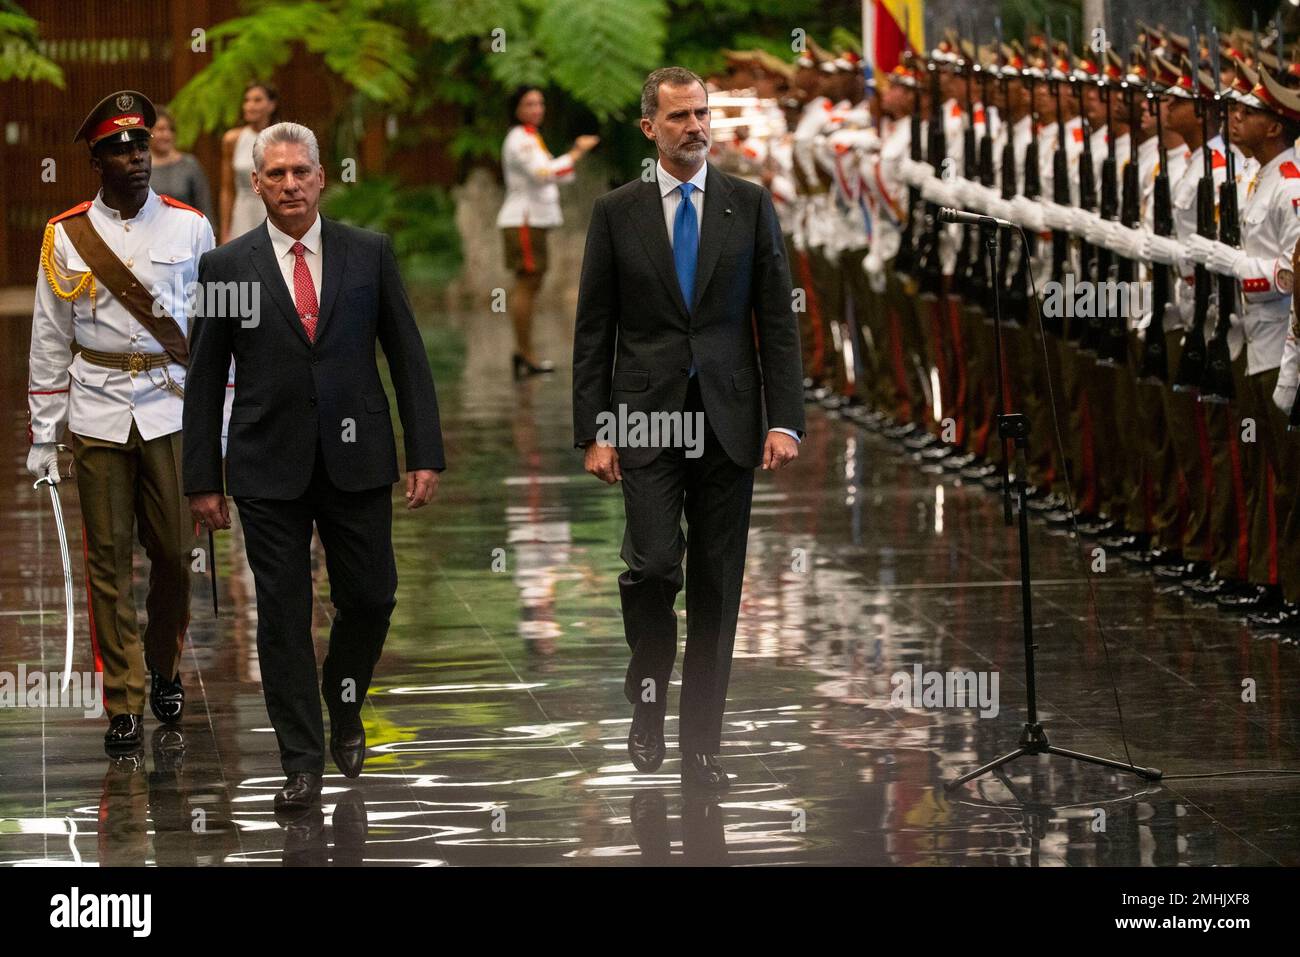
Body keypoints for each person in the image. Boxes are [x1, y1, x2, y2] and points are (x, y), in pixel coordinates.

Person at [183, 121, 445, 815]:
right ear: (256, 183)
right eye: (276, 174)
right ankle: (300, 761)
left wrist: (425, 452)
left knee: (372, 595)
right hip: (266, 465)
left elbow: (407, 356)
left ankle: (345, 695)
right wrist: (201, 477)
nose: (291, 184)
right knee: (282, 613)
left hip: (358, 458)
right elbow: (206, 376)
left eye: (302, 171)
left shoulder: (369, 255)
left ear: (323, 177)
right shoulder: (227, 267)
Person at [571, 67, 805, 791]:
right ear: (650, 128)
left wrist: (786, 420)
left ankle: (702, 743)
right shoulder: (617, 212)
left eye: (701, 114)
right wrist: (595, 429)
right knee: (653, 567)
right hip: (644, 417)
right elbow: (594, 328)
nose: (694, 127)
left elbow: (777, 319)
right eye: (677, 117)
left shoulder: (748, 204)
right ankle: (647, 694)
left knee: (716, 584)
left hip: (729, 421)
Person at [26, 90, 215, 754]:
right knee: (107, 559)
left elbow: (212, 333)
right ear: (97, 159)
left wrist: (219, 425)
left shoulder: (191, 227)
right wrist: (44, 434)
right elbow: (50, 337)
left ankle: (164, 664)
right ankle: (125, 699)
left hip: (169, 407)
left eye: (142, 145)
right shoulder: (65, 233)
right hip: (98, 409)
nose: (135, 158)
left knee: (171, 552)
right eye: (119, 149)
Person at [496, 85, 599, 379]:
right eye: (529, 104)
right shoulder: (521, 140)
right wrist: (576, 153)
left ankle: (524, 352)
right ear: (516, 109)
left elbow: (552, 174)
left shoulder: (530, 137)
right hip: (525, 221)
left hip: (531, 221)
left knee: (531, 283)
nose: (537, 109)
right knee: (527, 284)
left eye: (540, 103)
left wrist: (568, 161)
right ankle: (525, 353)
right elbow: (544, 174)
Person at [219, 82, 276, 244]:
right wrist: (225, 230)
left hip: (273, 211)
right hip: (242, 212)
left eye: (257, 100)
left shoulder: (281, 137)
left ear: (271, 105)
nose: (250, 106)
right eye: (247, 100)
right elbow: (227, 188)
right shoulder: (232, 139)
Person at [148, 105, 214, 220]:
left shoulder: (189, 164)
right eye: (161, 129)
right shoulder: (141, 166)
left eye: (171, 130)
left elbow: (204, 205)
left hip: (187, 232)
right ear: (149, 133)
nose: (167, 135)